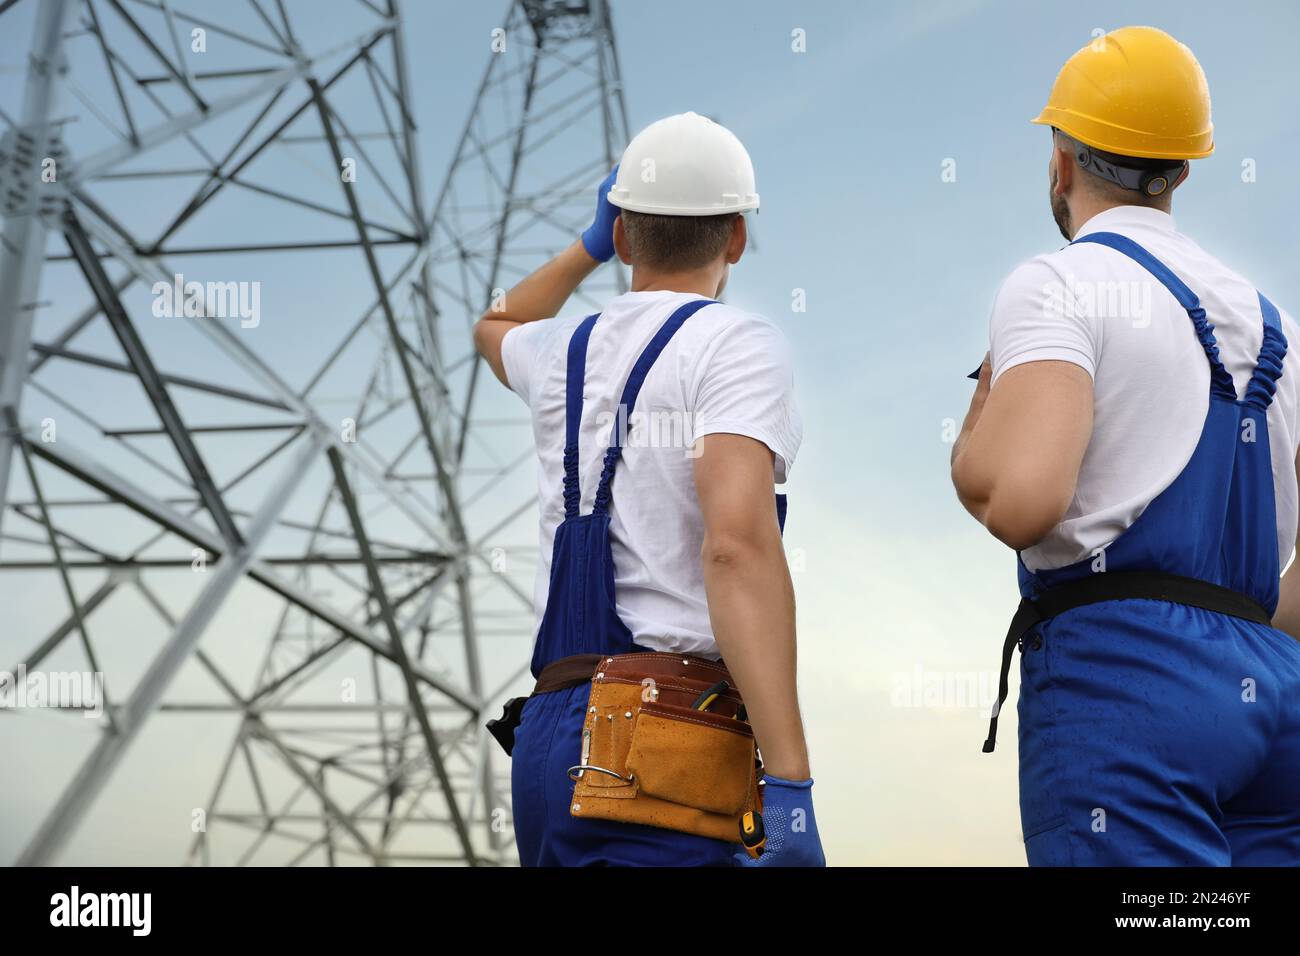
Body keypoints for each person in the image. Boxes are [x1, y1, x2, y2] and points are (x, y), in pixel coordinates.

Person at [951, 26, 1300, 865]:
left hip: (1124, 691)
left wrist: (974, 439)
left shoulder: (1059, 283)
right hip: (1275, 694)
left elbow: (1021, 500)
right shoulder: (1273, 324)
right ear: (1182, 169)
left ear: (1061, 163)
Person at [474, 112, 824, 866]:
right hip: (668, 737)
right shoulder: (735, 343)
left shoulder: (558, 346)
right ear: (735, 236)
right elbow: (735, 548)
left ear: (625, 235)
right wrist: (791, 781)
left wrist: (588, 244)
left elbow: (494, 323)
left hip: (548, 737)